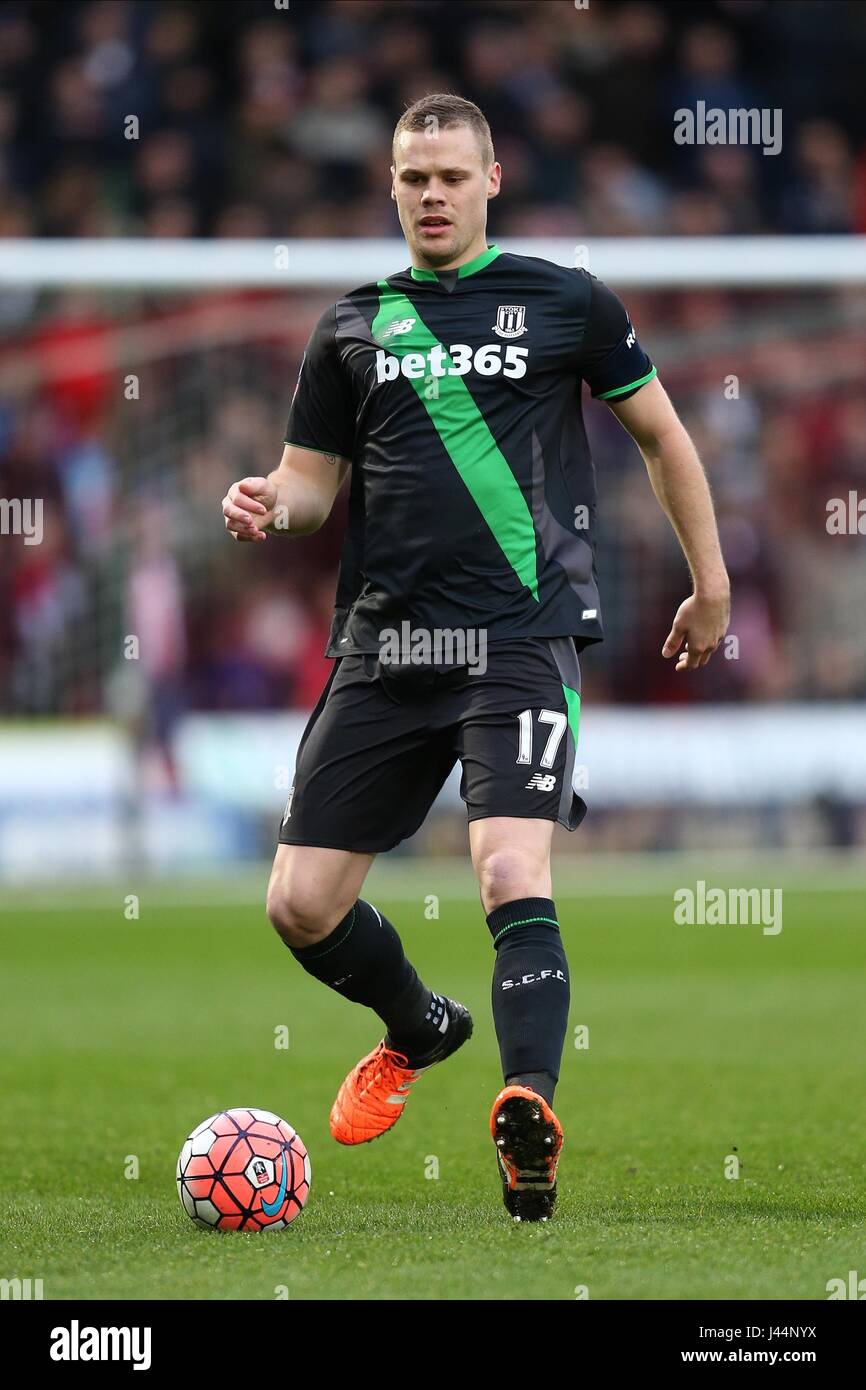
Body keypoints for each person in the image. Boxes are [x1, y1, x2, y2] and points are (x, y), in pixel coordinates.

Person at [221, 94, 730, 1222]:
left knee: (508, 870)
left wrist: (710, 580)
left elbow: (661, 434)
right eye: (414, 179)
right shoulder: (353, 325)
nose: (433, 194)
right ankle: (419, 1025)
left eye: (452, 175)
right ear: (392, 188)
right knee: (299, 905)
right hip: (387, 644)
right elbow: (311, 487)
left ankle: (526, 1111)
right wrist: (271, 502)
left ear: (491, 178)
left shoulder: (564, 301)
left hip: (518, 636)